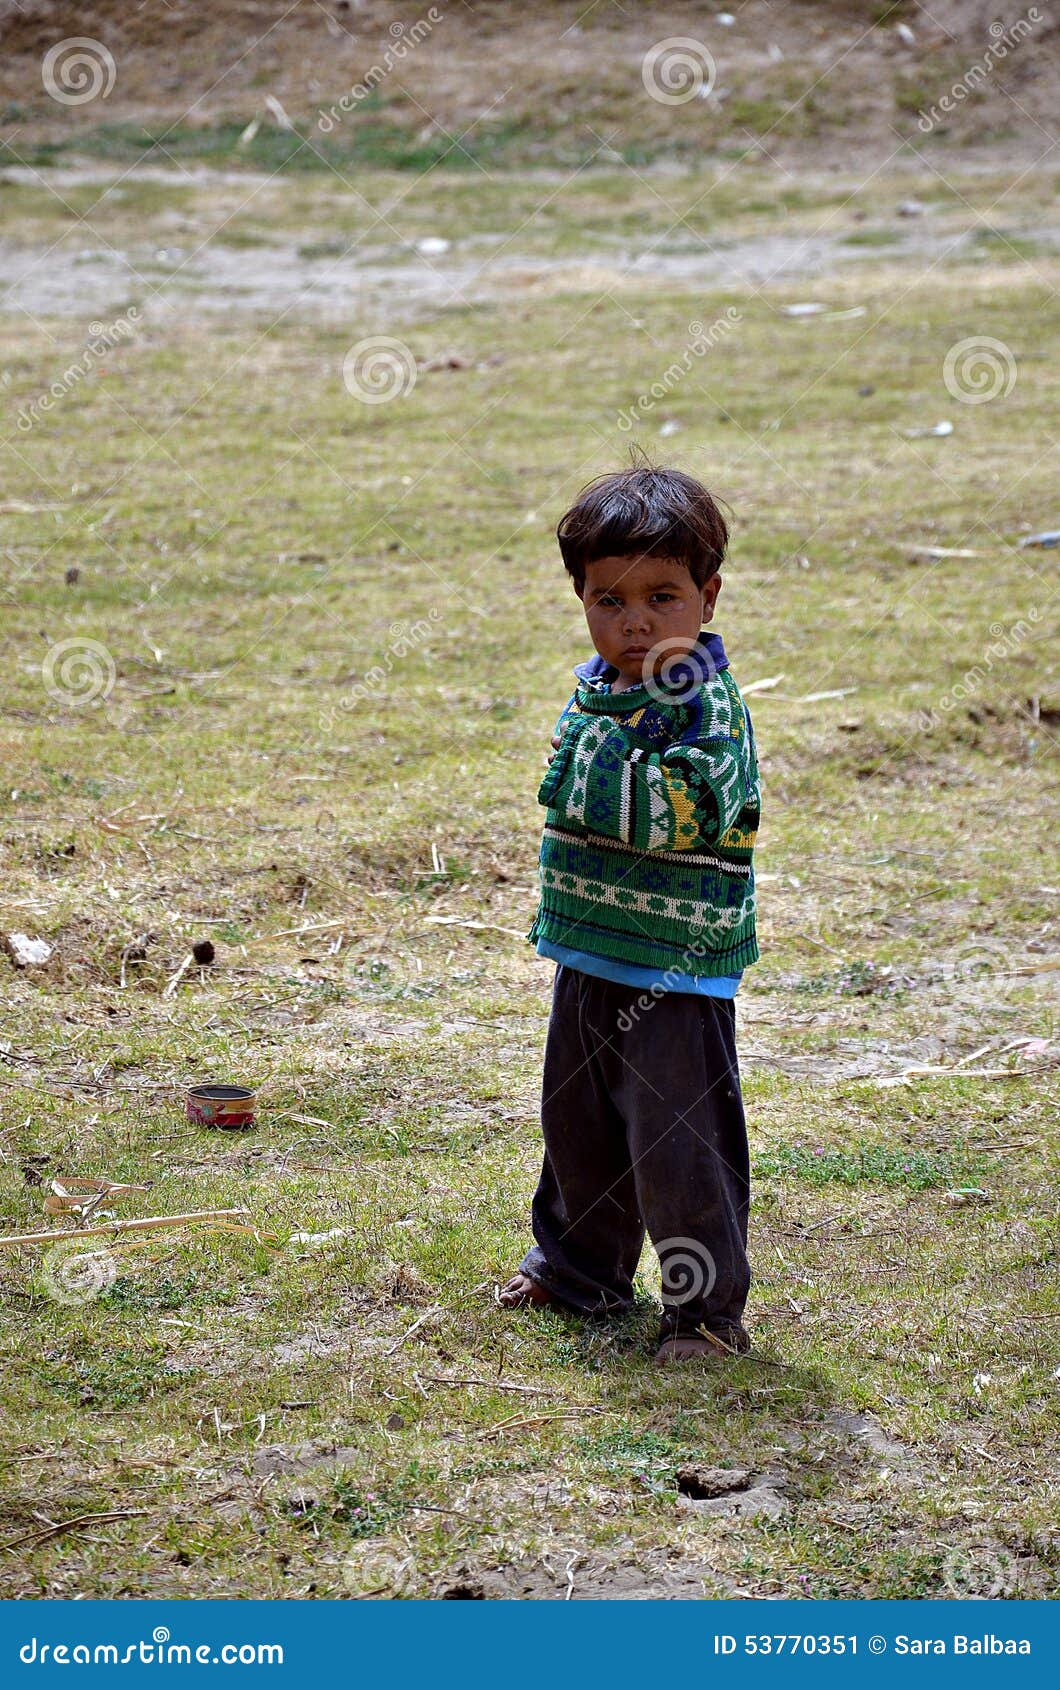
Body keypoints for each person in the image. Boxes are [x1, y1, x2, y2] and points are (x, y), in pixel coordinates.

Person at [499, 462, 761, 1363]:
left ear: (708, 596)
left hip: (676, 967)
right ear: (580, 598)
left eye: (661, 595)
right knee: (579, 1133)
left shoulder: (707, 709)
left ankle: (702, 1314)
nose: (636, 620)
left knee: (680, 1151)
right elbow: (562, 792)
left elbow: (667, 816)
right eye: (609, 599)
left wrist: (598, 764)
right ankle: (579, 1274)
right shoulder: (600, 689)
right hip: (589, 950)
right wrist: (594, 764)